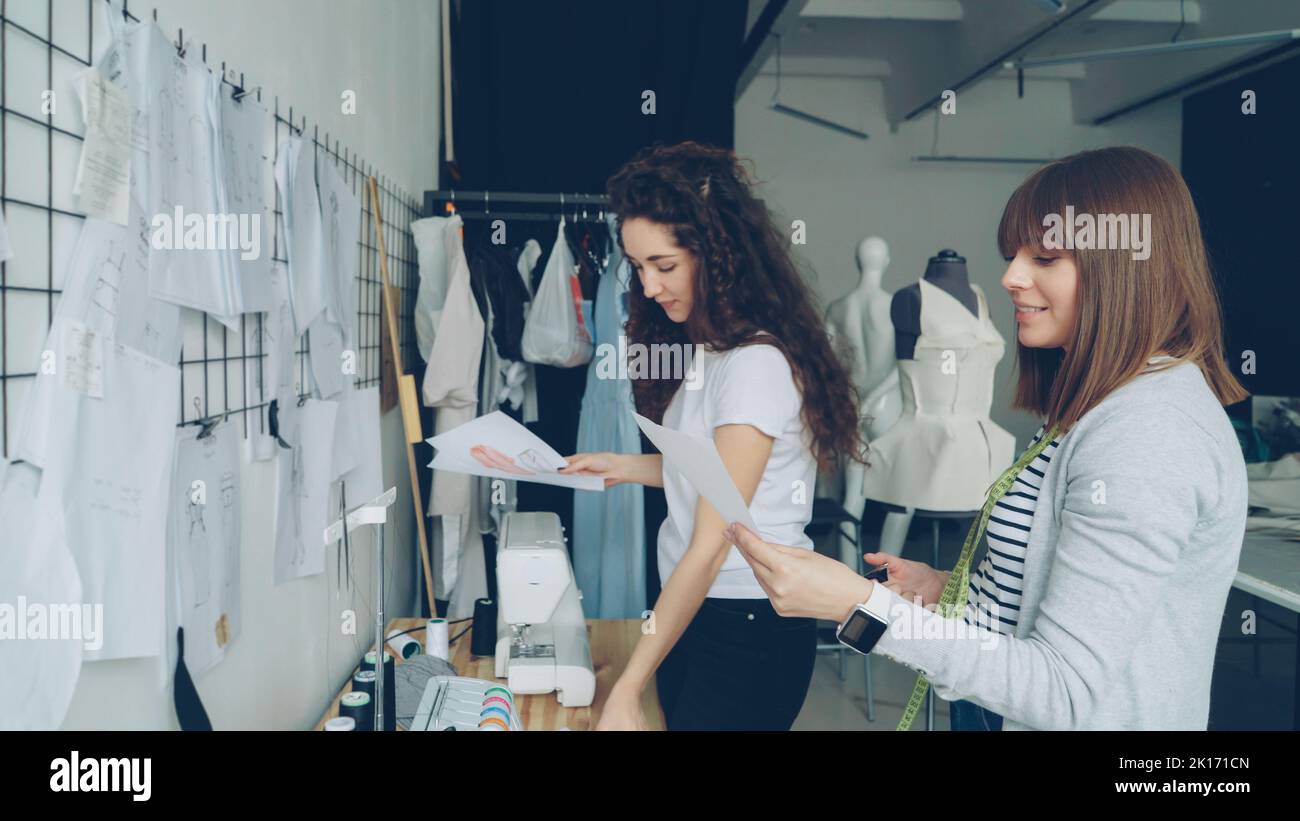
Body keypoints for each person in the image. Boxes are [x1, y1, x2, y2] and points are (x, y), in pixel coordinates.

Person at [728, 146, 1249, 731]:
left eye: (1045, 257)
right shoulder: (1106, 405)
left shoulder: (1148, 433)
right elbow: (1071, 599)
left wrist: (859, 606)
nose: (1009, 276)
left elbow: (1064, 692)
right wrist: (948, 588)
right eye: (1013, 255)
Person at [559, 142, 863, 730]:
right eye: (638, 267)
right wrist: (622, 466)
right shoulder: (712, 351)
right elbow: (710, 475)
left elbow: (713, 539)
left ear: (717, 254)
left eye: (664, 266)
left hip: (746, 622)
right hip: (704, 610)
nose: (647, 287)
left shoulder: (753, 367)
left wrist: (628, 687)